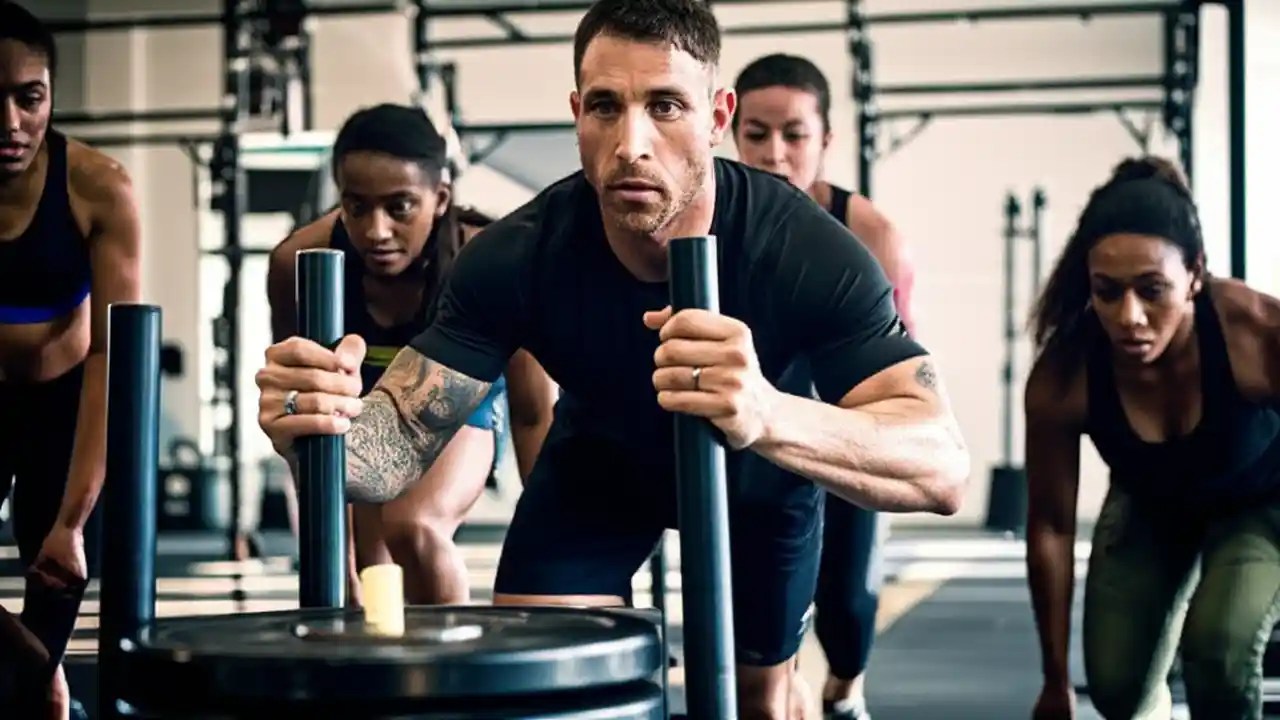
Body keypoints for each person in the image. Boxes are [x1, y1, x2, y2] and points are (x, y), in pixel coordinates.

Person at [255, 1, 970, 717]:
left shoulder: (804, 250)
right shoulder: (519, 254)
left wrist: (767, 412)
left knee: (759, 702)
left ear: (717, 117)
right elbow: (390, 452)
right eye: (605, 106)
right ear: (576, 113)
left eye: (665, 105)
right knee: (546, 683)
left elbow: (942, 467)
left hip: (761, 482)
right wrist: (313, 425)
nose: (631, 142)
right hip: (599, 472)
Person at [266, 103, 557, 606]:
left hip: (464, 401)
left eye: (399, 207)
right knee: (364, 570)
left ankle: (456, 681)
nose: (377, 231)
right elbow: (301, 407)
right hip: (360, 410)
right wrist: (328, 561)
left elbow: (534, 412)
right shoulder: (297, 263)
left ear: (440, 198)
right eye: (357, 207)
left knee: (414, 527)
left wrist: (552, 558)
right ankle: (387, 674)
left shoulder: (488, 256)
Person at [1024, 156, 1280, 720]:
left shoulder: (1257, 334)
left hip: (1259, 506)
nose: (1130, 316)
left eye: (1152, 290)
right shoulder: (1065, 374)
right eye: (1107, 292)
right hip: (1151, 505)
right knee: (1117, 690)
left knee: (1218, 649)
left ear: (1195, 274)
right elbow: (1050, 525)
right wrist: (1055, 679)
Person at [732, 53, 915, 720]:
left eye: (794, 135)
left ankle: (846, 685)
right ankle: (783, 679)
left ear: (826, 142)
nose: (774, 153)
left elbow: (895, 379)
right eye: (756, 133)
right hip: (753, 434)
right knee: (754, 599)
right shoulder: (709, 222)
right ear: (730, 129)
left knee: (847, 599)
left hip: (845, 424)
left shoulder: (872, 236)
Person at [0, 3, 143, 719]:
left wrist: (75, 519)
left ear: (51, 93)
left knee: (55, 581)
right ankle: (40, 680)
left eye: (29, 98)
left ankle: (45, 686)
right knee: (24, 670)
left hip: (67, 403)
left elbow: (112, 356)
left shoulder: (97, 186)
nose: (10, 125)